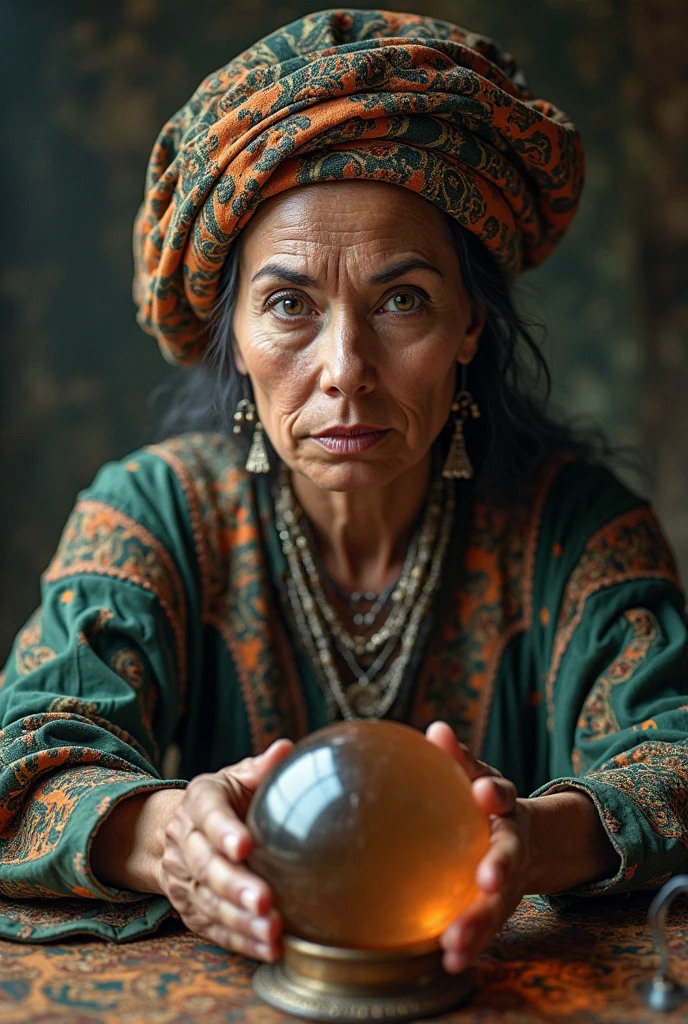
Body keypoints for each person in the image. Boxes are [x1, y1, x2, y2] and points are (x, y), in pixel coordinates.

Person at [1, 7, 686, 976]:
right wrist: (170, 840)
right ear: (231, 336)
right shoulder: (147, 517)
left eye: (401, 298)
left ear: (469, 330)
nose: (345, 369)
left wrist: (527, 838)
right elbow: (24, 757)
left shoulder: (578, 531)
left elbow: (676, 754)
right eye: (288, 304)